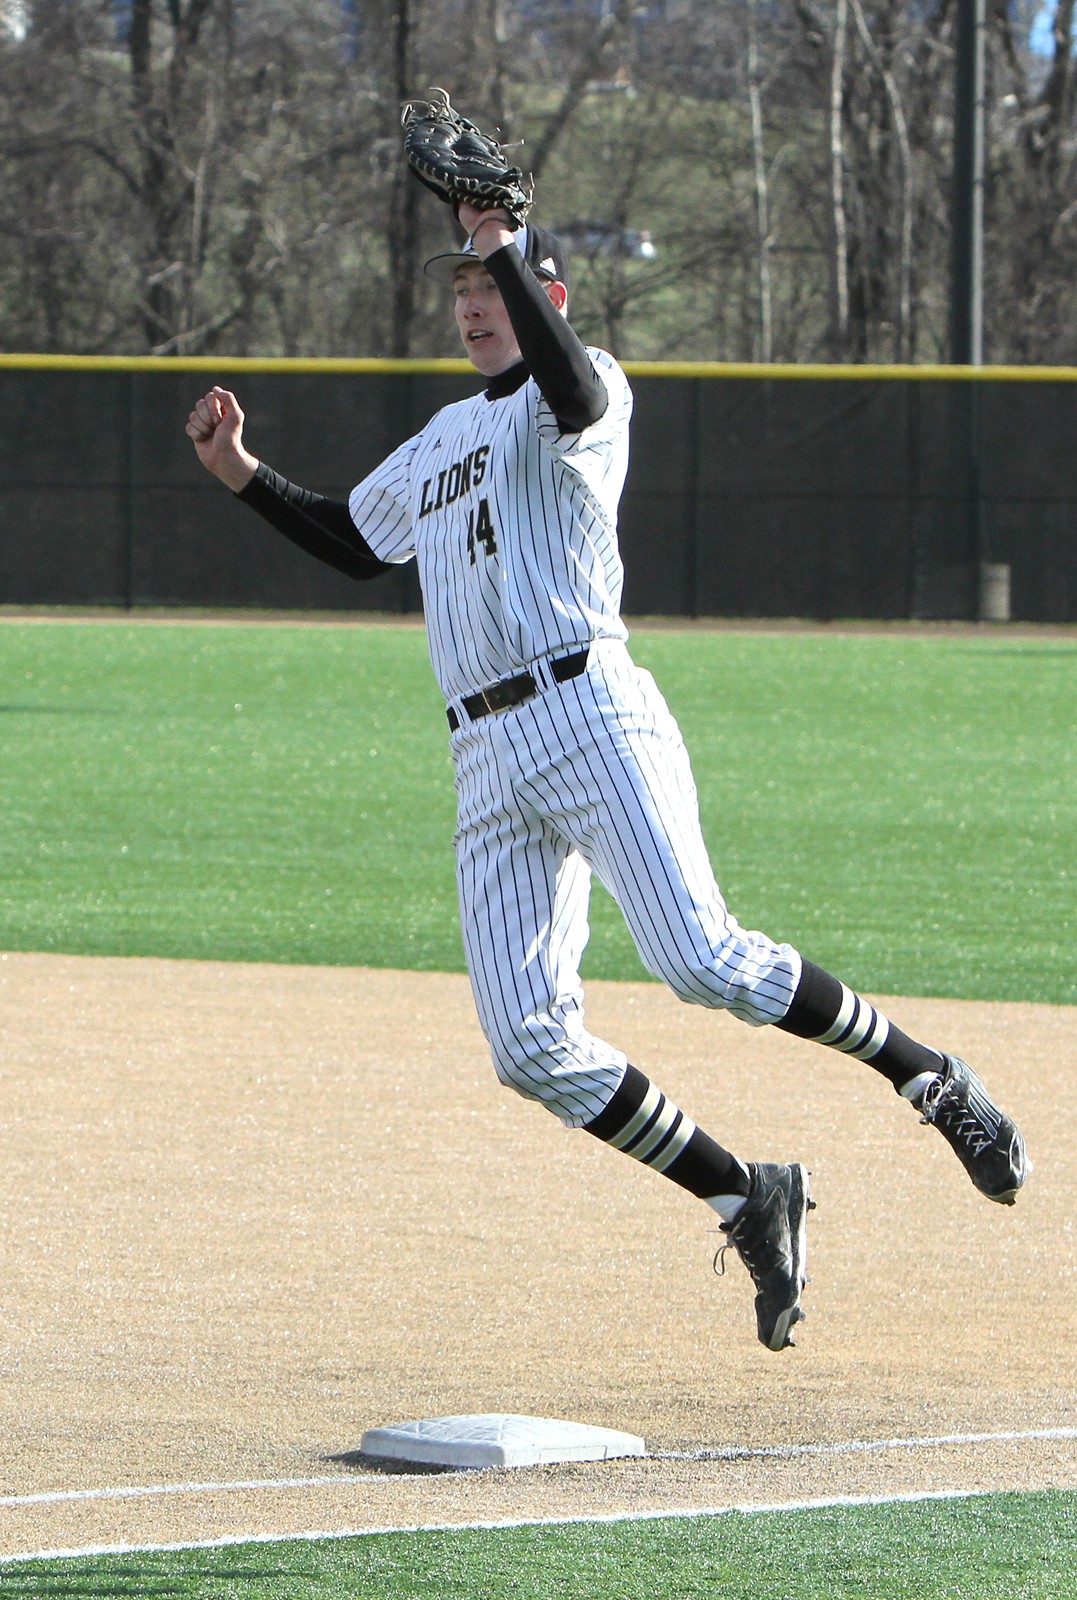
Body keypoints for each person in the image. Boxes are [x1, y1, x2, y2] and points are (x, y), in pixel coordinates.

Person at [186, 200, 1029, 1353]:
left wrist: (508, 251)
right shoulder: (438, 438)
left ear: (549, 300)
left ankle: (931, 1079)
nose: (475, 303)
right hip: (483, 752)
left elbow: (570, 390)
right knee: (528, 1044)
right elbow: (355, 540)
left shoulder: (583, 395)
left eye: (495, 286)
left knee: (702, 958)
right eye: (464, 292)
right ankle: (748, 1194)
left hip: (589, 708)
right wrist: (241, 471)